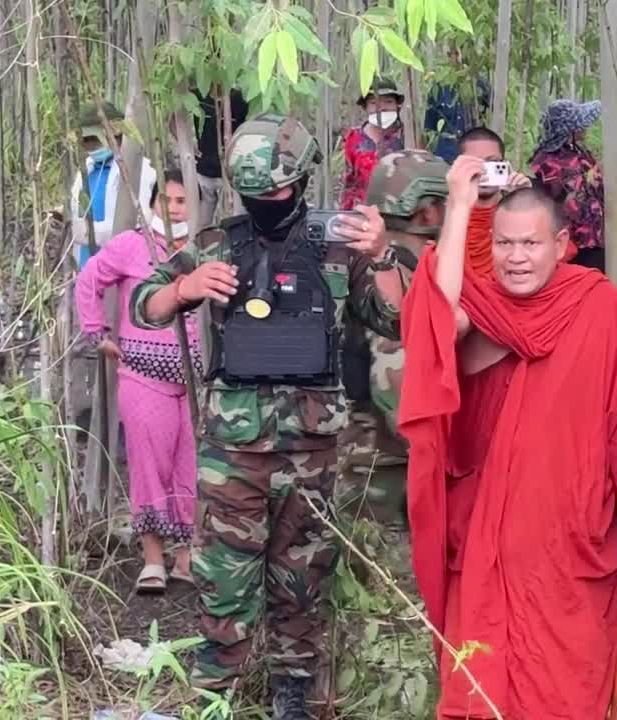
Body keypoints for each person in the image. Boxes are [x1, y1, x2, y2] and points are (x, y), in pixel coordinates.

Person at [130, 114, 406, 718]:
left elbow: (399, 321)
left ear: (303, 179)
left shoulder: (340, 244)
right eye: (255, 193)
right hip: (234, 451)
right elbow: (142, 305)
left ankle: (295, 698)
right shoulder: (215, 244)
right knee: (223, 585)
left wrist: (383, 255)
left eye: (278, 191)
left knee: (303, 584)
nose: (268, 202)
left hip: (313, 448)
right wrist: (185, 288)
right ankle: (213, 700)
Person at [398, 155, 617, 718]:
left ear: (562, 242)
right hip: (489, 541)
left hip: (573, 537)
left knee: (572, 683)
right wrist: (460, 205)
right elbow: (437, 322)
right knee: (485, 680)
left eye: (531, 244)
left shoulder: (600, 307)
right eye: (504, 245)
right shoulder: (483, 305)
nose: (516, 258)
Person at [76, 170, 200, 593]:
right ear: (151, 204)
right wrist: (98, 335)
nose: (176, 209)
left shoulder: (208, 246)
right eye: (167, 200)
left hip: (200, 383)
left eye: (184, 201)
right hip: (144, 376)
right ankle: (152, 558)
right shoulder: (133, 244)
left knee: (195, 466)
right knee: (149, 464)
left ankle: (187, 555)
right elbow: (89, 279)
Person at [340, 150, 451, 525]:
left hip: (370, 460)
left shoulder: (366, 262)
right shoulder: (396, 273)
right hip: (383, 469)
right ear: (429, 212)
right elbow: (396, 390)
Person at [69, 102, 158, 269]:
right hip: (86, 265)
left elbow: (144, 222)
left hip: (122, 266)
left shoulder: (140, 170)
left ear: (114, 134)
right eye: (84, 141)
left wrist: (90, 232)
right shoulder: (85, 170)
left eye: (92, 140)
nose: (89, 147)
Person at [529, 99, 606, 271]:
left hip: (593, 238)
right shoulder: (549, 160)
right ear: (568, 130)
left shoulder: (577, 151)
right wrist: (597, 175)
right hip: (574, 241)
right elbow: (573, 194)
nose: (584, 128)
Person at [453, 126, 538, 275]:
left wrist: (525, 201)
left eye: (492, 163)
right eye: (474, 163)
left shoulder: (517, 207)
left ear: (505, 165)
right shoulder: (446, 217)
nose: (483, 171)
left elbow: (552, 254)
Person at [340, 77, 407, 210]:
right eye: (374, 103)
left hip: (397, 213)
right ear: (365, 107)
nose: (382, 108)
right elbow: (349, 181)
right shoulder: (353, 138)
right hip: (360, 211)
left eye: (388, 102)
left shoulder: (406, 136)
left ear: (397, 106)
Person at [192, 88, 249, 228]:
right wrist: (188, 143)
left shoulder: (240, 100)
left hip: (234, 174)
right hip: (204, 171)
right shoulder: (198, 96)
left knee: (238, 222)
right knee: (200, 225)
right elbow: (173, 119)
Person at [424, 48, 492, 163]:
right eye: (450, 54)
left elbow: (497, 112)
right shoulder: (438, 89)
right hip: (446, 155)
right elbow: (429, 127)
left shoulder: (479, 85)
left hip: (475, 153)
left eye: (457, 53)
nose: (454, 58)